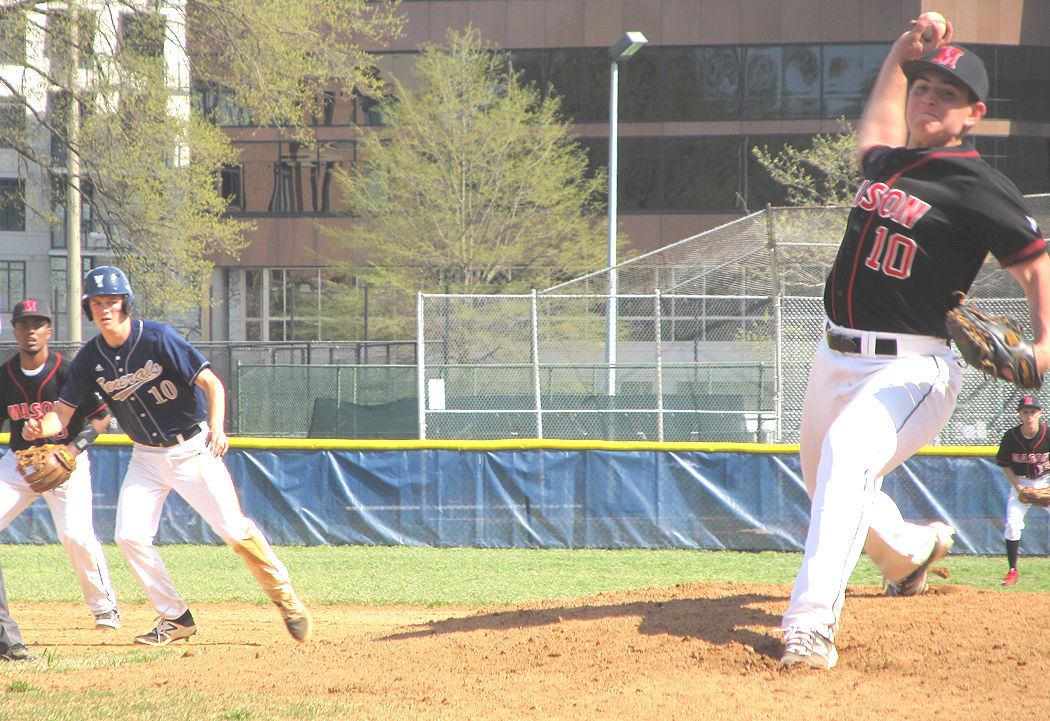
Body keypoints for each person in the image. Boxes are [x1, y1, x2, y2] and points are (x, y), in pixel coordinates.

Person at [779, 15, 1050, 670]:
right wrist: (899, 54)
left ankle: (811, 623)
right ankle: (909, 551)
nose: (928, 99)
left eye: (945, 94)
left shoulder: (978, 185)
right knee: (829, 483)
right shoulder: (893, 160)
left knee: (847, 455)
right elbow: (872, 131)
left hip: (914, 367)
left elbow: (1037, 266)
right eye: (921, 88)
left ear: (973, 114)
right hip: (833, 355)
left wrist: (1045, 348)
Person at [23, 267, 312, 646]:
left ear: (125, 303)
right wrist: (36, 428)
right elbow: (60, 415)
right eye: (97, 303)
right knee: (129, 536)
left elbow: (211, 382)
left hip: (192, 447)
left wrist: (219, 427)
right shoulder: (89, 358)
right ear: (89, 309)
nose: (105, 308)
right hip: (145, 456)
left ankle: (286, 598)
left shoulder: (157, 337)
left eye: (111, 301)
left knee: (234, 530)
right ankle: (175, 617)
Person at [0, 298, 121, 629]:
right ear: (15, 330)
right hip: (20, 464)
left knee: (76, 536)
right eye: (24, 324)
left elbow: (100, 418)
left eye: (37, 324)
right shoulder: (5, 375)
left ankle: (105, 608)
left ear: (49, 330)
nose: (31, 331)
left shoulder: (68, 372)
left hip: (66, 462)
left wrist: (72, 450)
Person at [994, 396, 1050, 586]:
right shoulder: (1011, 437)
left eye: (1033, 412)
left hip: (1046, 482)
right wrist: (1019, 489)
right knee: (1012, 524)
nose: (1029, 416)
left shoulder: (1048, 434)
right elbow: (1005, 464)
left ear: (1040, 413)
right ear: (1019, 414)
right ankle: (1012, 571)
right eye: (1025, 412)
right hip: (1021, 483)